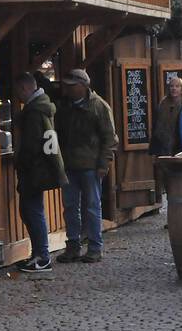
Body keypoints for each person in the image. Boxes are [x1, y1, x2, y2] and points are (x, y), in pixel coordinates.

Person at [54, 69, 117, 263]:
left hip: (91, 166)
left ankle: (95, 247)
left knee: (92, 207)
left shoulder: (99, 106)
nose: (68, 89)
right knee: (70, 207)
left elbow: (110, 138)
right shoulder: (65, 106)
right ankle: (73, 245)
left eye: (72, 85)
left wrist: (104, 163)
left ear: (83, 86)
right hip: (70, 165)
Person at [13, 72, 67, 272]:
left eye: (19, 91)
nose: (17, 96)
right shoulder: (42, 108)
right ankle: (39, 254)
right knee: (31, 210)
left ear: (26, 88)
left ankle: (42, 257)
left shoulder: (34, 112)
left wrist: (21, 162)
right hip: (40, 168)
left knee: (32, 210)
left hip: (34, 169)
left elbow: (32, 144)